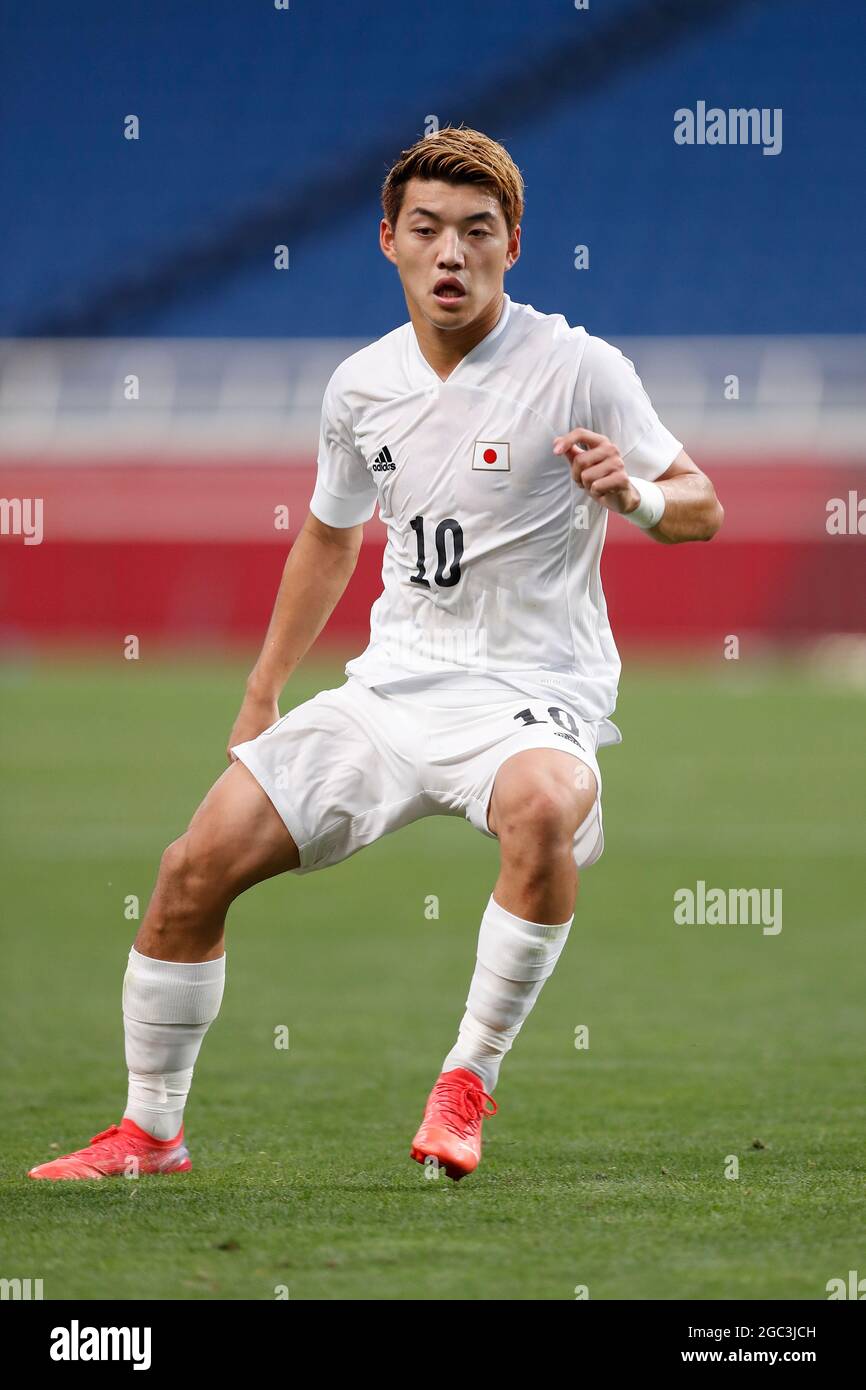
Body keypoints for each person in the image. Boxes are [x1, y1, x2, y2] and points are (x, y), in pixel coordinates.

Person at [28, 126, 723, 1183]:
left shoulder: (581, 369)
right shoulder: (359, 386)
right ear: (389, 241)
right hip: (391, 688)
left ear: (512, 246)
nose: (452, 254)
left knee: (540, 806)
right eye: (429, 231)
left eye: (476, 233)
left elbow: (701, 508)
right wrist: (263, 688)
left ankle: (466, 1081)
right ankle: (149, 1134)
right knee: (188, 869)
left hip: (531, 692)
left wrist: (630, 494)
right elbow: (329, 533)